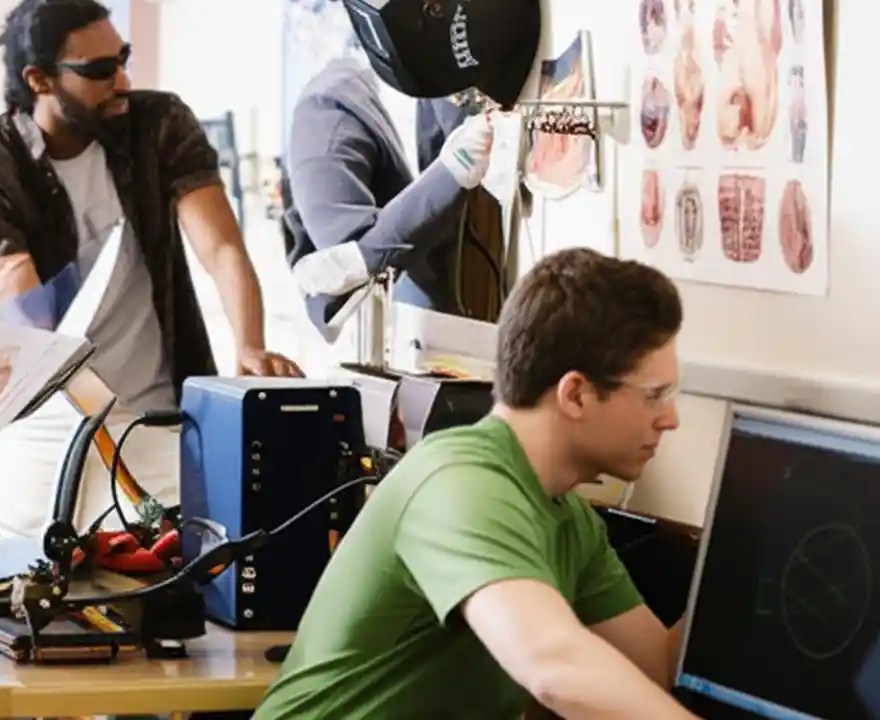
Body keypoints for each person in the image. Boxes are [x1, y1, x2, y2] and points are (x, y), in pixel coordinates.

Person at [255, 248, 699, 719]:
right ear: (576, 394)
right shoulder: (459, 483)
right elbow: (554, 668)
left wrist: (751, 557)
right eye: (654, 396)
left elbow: (656, 671)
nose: (670, 419)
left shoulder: (567, 518)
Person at [0, 0, 301, 537]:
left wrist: (248, 345)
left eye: (124, 58)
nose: (122, 80)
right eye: (99, 71)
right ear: (39, 79)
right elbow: (30, 321)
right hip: (50, 430)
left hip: (159, 417)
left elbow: (222, 248)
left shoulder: (157, 124)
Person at [282, 51, 496, 340]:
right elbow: (353, 261)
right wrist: (452, 173)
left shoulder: (434, 78)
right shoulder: (325, 118)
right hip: (381, 342)